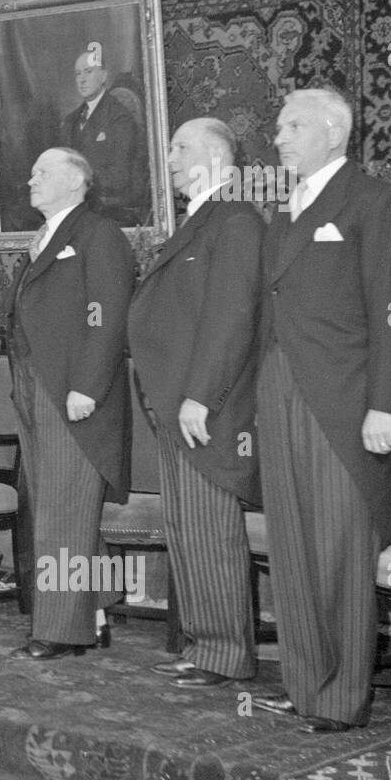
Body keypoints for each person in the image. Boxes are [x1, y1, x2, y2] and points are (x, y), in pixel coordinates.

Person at [253, 88, 391, 733]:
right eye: (278, 126)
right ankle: (305, 685)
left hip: (342, 400)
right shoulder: (285, 213)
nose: (278, 137)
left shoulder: (374, 201)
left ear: (333, 131)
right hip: (280, 391)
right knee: (292, 547)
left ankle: (343, 695)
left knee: (341, 549)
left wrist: (385, 404)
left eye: (292, 125)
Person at [128, 118, 263, 688]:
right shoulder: (205, 219)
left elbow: (230, 319)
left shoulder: (233, 219)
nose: (172, 157)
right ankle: (205, 645)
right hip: (178, 404)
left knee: (210, 528)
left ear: (215, 154)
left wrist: (199, 397)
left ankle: (225, 653)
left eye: (181, 147)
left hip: (205, 408)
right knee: (188, 528)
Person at [7, 147, 133, 658]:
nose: (30, 179)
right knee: (59, 507)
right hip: (35, 388)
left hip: (73, 395)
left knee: (62, 510)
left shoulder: (97, 235)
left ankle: (60, 630)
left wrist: (87, 385)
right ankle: (96, 612)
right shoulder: (46, 238)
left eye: (42, 172)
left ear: (77, 180)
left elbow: (108, 314)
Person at [61, 45, 147, 225]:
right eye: (78, 74)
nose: (82, 80)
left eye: (88, 72)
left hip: (107, 210)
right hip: (76, 206)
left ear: (103, 76)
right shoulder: (70, 121)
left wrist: (78, 180)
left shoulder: (119, 117)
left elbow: (120, 176)